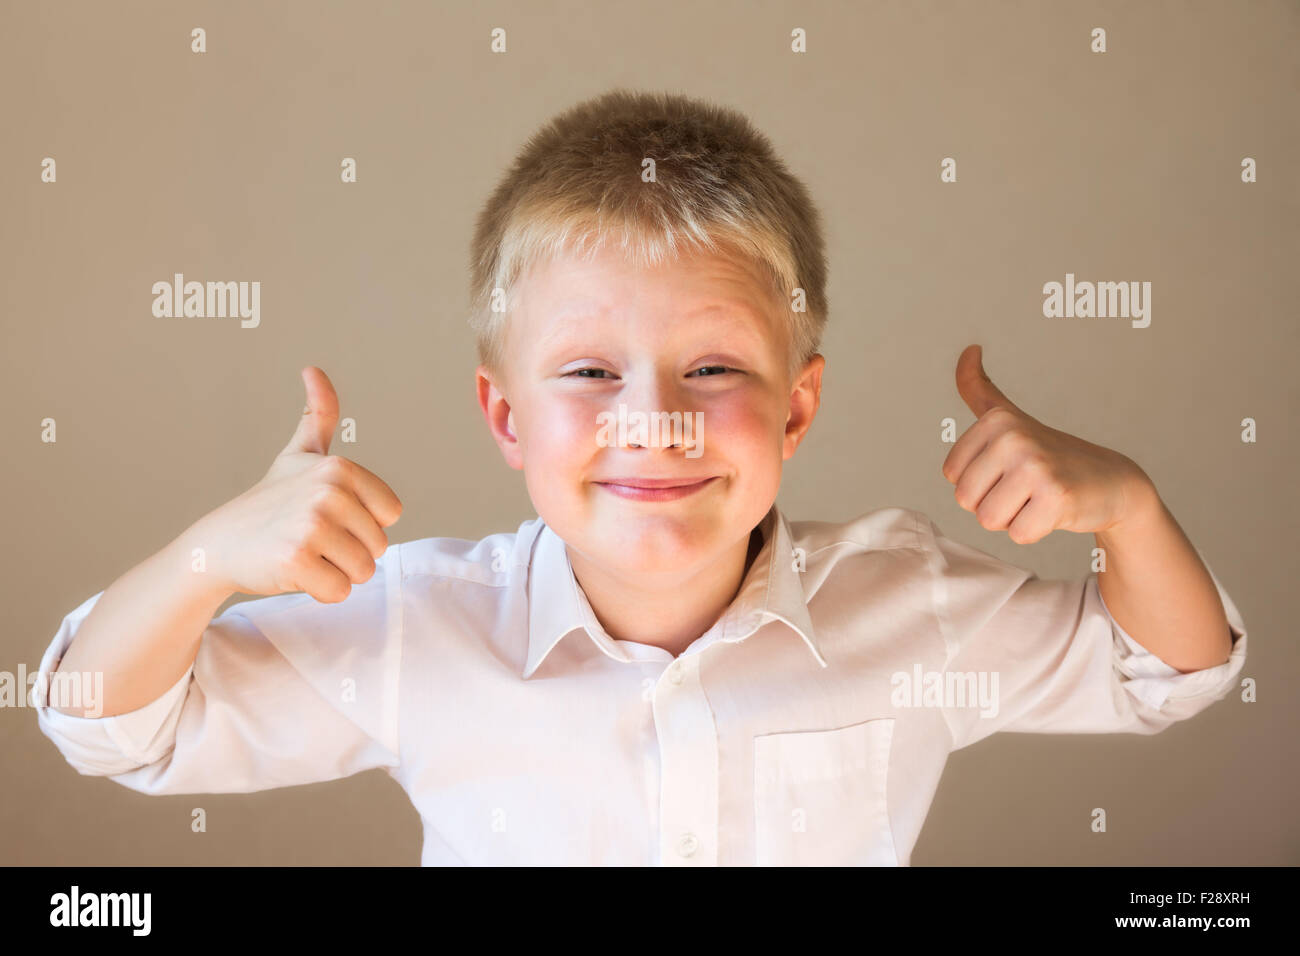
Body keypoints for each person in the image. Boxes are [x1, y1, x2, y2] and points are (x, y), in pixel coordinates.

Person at [34, 88, 1247, 865]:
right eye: (588, 373)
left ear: (799, 406)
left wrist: (1128, 508)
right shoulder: (424, 626)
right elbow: (107, 722)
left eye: (712, 366)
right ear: (504, 416)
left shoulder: (908, 599)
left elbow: (1169, 672)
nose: (656, 424)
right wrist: (208, 558)